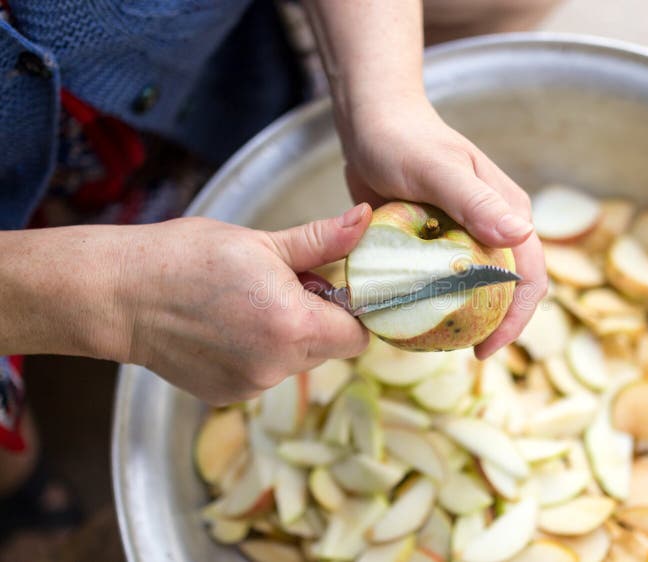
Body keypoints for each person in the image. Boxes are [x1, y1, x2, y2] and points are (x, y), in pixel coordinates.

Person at [0, 0, 551, 542]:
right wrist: (117, 300)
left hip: (196, 93)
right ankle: (22, 493)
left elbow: (384, 92)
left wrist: (385, 100)